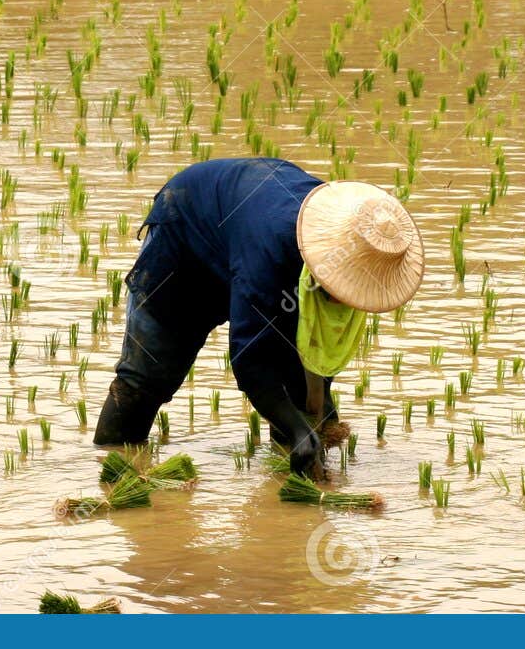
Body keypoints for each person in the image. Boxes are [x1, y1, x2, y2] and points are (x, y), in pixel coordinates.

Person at [93, 157, 424, 475]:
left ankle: (292, 493)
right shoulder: (272, 252)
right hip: (186, 236)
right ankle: (110, 465)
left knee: (295, 390)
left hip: (250, 233)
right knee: (148, 375)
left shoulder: (352, 239)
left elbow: (318, 342)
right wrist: (297, 429)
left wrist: (318, 404)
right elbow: (250, 361)